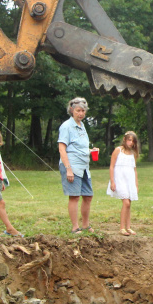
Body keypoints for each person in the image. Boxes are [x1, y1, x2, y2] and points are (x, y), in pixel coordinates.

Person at [57, 97, 93, 233]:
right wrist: (68, 169)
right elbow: (62, 148)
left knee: (88, 195)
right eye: (78, 110)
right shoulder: (66, 126)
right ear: (72, 110)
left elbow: (78, 146)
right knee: (75, 196)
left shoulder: (82, 126)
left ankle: (85, 225)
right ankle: (75, 227)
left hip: (84, 167)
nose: (81, 113)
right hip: (72, 166)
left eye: (83, 111)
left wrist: (90, 151)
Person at [106, 131, 140, 235]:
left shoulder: (132, 154)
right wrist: (112, 181)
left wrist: (136, 184)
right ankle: (122, 228)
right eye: (129, 140)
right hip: (119, 179)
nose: (131, 143)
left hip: (129, 180)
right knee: (126, 202)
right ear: (124, 139)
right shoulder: (118, 150)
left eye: (133, 141)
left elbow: (134, 170)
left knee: (129, 204)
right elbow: (112, 166)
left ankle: (128, 227)